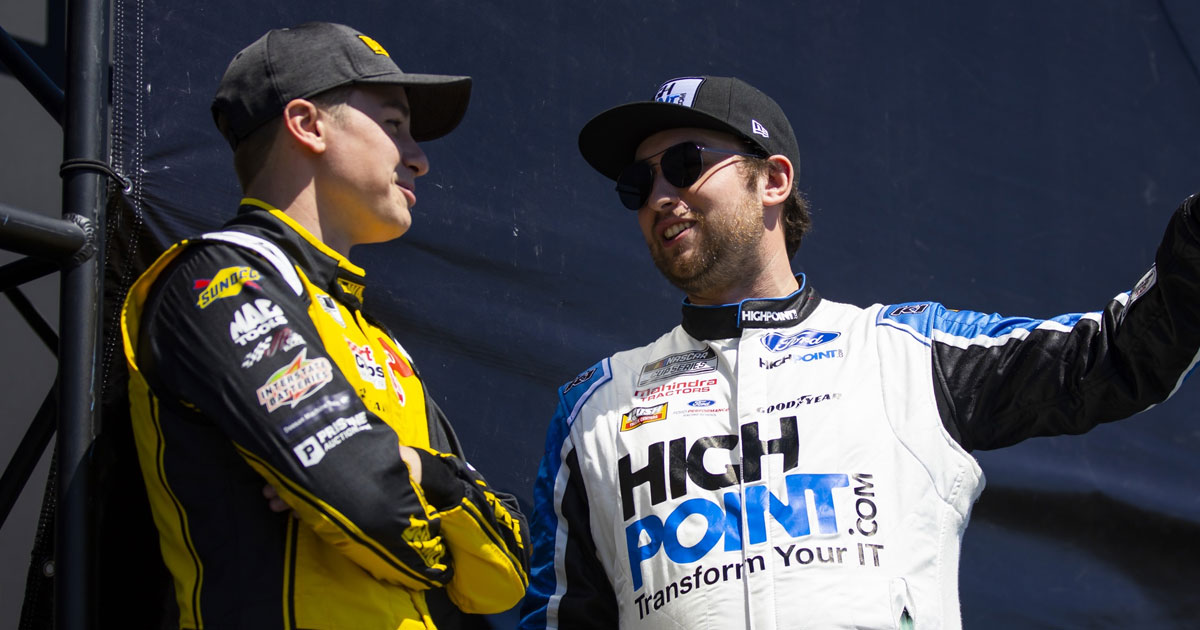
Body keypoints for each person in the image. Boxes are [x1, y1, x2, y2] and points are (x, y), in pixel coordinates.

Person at [518, 75, 1200, 629]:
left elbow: (1118, 355)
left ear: (773, 180)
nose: (661, 196)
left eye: (684, 164)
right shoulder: (594, 410)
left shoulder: (904, 351)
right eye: (637, 187)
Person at [120, 22, 529, 629]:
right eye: (393, 126)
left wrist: (423, 473)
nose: (417, 158)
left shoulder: (379, 342)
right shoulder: (215, 277)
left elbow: (508, 573)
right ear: (307, 124)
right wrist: (433, 535)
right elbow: (368, 502)